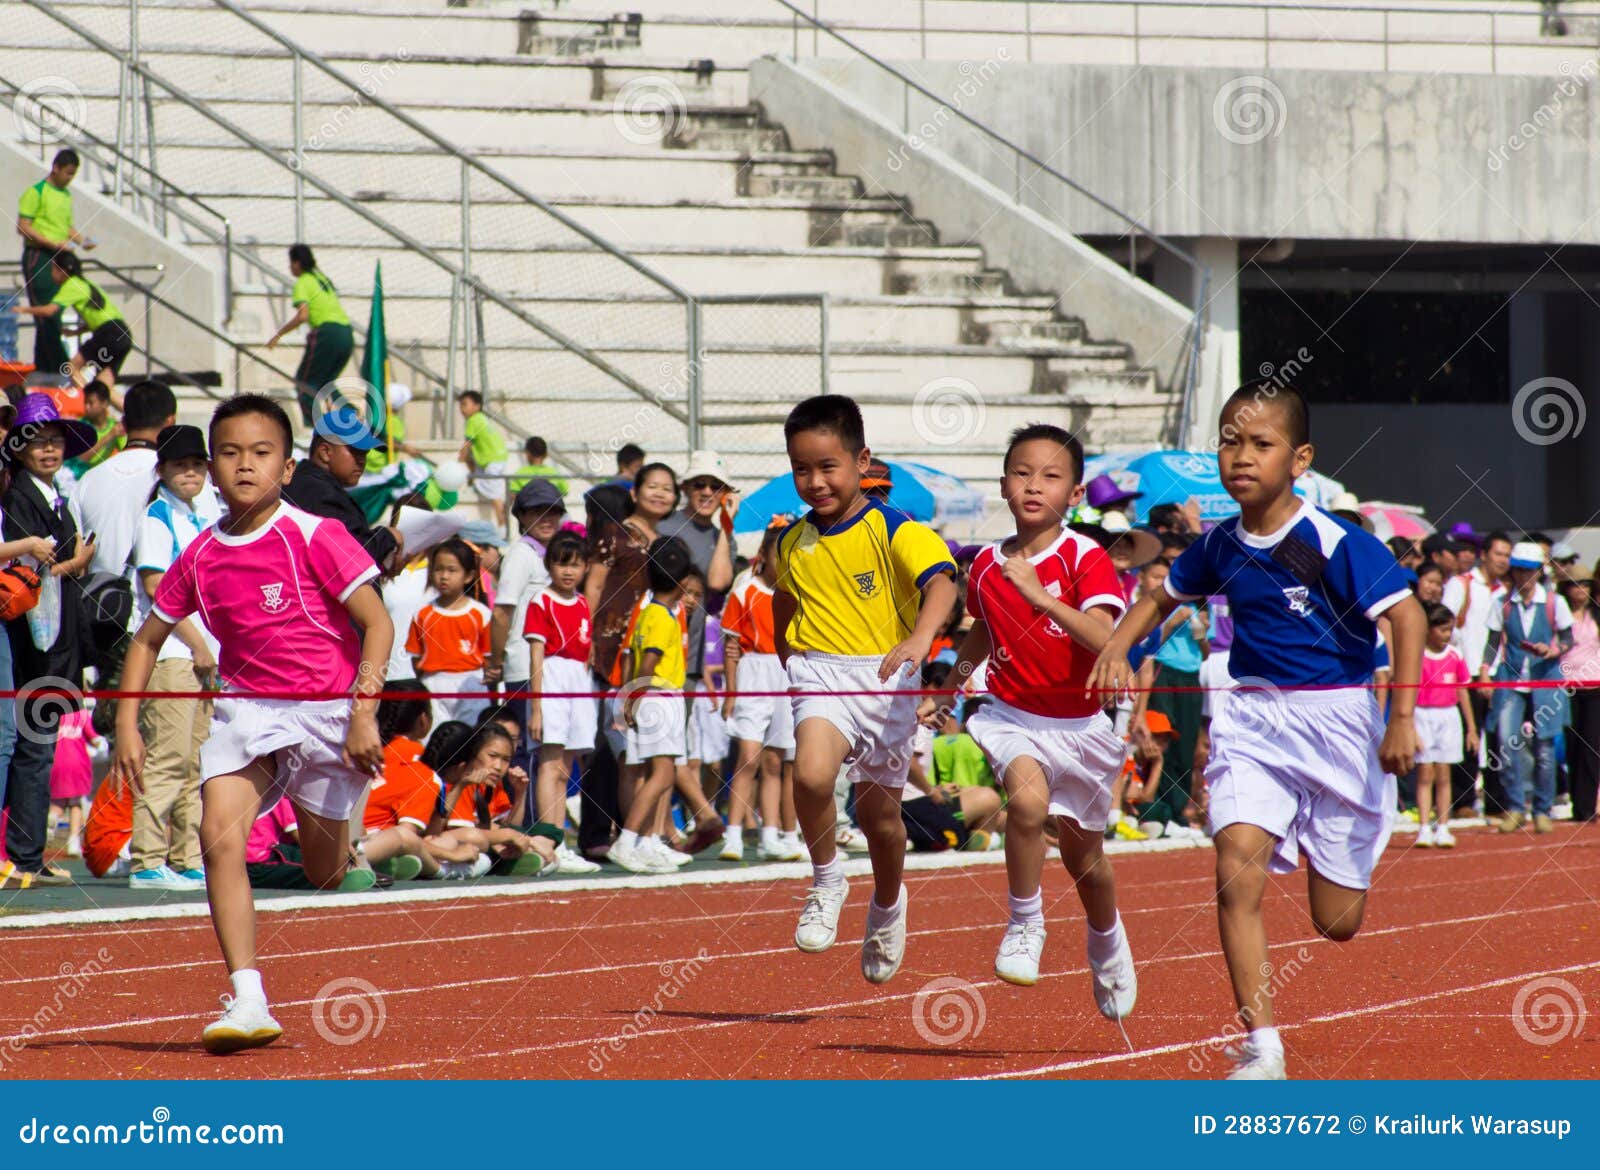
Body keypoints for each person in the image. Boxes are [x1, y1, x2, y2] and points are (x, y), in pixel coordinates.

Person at [1090, 381, 1423, 1080]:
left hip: (1337, 723)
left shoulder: (1330, 541)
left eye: (1261, 443)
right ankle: (1261, 1045)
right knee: (1234, 866)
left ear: (1299, 457)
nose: (1241, 456)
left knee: (1337, 923)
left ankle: (1327, 843)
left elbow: (1408, 616)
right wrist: (1120, 647)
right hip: (1252, 720)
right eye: (1229, 440)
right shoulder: (1219, 545)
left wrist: (1400, 718)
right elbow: (1161, 596)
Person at [112, 394, 394, 1053]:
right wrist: (127, 724)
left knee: (327, 871)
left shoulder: (316, 535)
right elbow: (147, 639)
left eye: (261, 454)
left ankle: (321, 841)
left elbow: (377, 623)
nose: (246, 466)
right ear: (211, 469)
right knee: (217, 833)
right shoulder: (201, 554)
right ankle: (247, 997)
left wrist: (363, 713)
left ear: (288, 468)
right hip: (249, 710)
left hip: (328, 712)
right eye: (231, 454)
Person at [932, 423, 1136, 1012]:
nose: (1033, 486)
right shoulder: (990, 566)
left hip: (1080, 730)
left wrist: (1044, 596)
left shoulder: (1084, 555)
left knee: (1086, 862)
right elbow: (981, 631)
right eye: (1022, 473)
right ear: (1003, 484)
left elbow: (1105, 637)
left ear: (1074, 495)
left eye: (1050, 477)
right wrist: (948, 687)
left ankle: (1106, 938)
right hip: (1011, 714)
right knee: (1024, 804)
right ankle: (1026, 923)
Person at [774, 395, 958, 983]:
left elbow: (943, 585)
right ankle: (827, 878)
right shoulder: (789, 540)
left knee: (881, 819)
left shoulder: (893, 526)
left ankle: (886, 902)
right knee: (809, 775)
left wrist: (920, 640)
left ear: (861, 461)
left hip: (886, 678)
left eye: (828, 466)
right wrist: (788, 651)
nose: (815, 481)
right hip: (819, 670)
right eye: (802, 469)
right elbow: (785, 595)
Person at [0, 394, 98, 890]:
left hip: (58, 640)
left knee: (39, 749)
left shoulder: (55, 491)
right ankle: (23, 853)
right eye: (38, 441)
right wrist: (76, 564)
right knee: (32, 750)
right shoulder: (20, 496)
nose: (49, 449)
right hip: (32, 643)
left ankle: (28, 852)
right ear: (20, 449)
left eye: (56, 440)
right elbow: (24, 574)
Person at [127, 424, 220, 892]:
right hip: (171, 655)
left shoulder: (195, 518)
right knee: (167, 759)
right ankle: (146, 859)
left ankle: (186, 858)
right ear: (161, 470)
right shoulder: (158, 517)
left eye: (197, 464)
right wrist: (199, 644)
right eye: (181, 465)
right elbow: (156, 587)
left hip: (197, 656)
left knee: (194, 763)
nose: (191, 472)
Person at [579, 462, 679, 859]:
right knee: (607, 744)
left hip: (648, 653)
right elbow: (596, 583)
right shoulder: (614, 533)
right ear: (635, 492)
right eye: (652, 486)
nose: (660, 493)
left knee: (638, 751)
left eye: (667, 488)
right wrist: (584, 634)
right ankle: (594, 835)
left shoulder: (668, 539)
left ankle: (638, 835)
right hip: (609, 650)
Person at [720, 524, 802, 862]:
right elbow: (731, 645)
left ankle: (771, 835)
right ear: (764, 556)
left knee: (775, 761)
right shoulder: (745, 591)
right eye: (776, 554)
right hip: (754, 672)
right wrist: (731, 691)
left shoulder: (797, 594)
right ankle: (734, 834)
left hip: (784, 674)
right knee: (748, 758)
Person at [521, 532, 600, 872]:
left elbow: (585, 652)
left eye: (576, 565)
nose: (568, 571)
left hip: (577, 684)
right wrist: (537, 706)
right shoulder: (541, 601)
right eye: (561, 563)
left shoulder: (582, 603)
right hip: (551, 679)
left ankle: (560, 842)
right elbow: (536, 656)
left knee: (566, 767)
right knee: (550, 764)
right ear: (549, 565)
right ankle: (549, 843)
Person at [1483, 541, 1573, 835]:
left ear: (1539, 573)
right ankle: (1516, 807)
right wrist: (1485, 670)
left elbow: (1568, 639)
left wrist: (1552, 649)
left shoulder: (1553, 602)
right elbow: (1492, 642)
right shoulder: (1501, 603)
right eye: (1519, 571)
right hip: (1511, 678)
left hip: (1545, 678)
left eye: (1529, 571)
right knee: (1506, 743)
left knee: (1545, 749)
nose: (1524, 577)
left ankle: (1542, 809)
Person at [485, 477, 566, 765]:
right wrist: (496, 661)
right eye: (537, 511)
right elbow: (501, 612)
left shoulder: (550, 555)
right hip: (523, 667)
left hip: (548, 667)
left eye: (553, 511)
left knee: (547, 753)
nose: (547, 518)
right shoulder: (522, 554)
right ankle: (524, 812)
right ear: (522, 516)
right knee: (529, 755)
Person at [71, 380, 180, 577]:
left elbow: (75, 559)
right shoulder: (187, 479)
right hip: (163, 604)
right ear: (170, 422)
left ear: (124, 423)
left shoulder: (86, 482)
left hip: (100, 602)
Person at [281, 406, 401, 575]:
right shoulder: (321, 494)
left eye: (365, 453)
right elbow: (353, 557)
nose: (362, 461)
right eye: (356, 452)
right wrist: (389, 537)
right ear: (325, 452)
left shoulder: (303, 482)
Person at [1444, 529, 1511, 816]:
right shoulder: (1461, 584)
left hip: (1497, 674)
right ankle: (1463, 801)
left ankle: (1497, 799)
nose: (1503, 560)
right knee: (1468, 736)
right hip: (1467, 673)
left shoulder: (1506, 592)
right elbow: (1445, 626)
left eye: (1507, 555)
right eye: (1498, 554)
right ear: (1484, 554)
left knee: (1497, 736)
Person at [12, 251, 132, 398]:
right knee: (104, 386)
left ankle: (89, 401)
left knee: (71, 367)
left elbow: (50, 310)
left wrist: (22, 309)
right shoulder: (86, 284)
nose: (51, 274)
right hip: (123, 333)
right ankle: (122, 415)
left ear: (62, 271)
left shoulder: (72, 284)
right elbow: (99, 317)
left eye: (53, 269)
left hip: (108, 333)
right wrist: (75, 332)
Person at [15, 148, 91, 376]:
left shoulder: (65, 195)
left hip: (59, 256)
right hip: (40, 255)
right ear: (56, 168)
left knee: (55, 310)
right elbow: (23, 226)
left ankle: (45, 366)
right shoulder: (37, 192)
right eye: (67, 173)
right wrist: (51, 243)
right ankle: (58, 365)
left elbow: (65, 226)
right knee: (45, 309)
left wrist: (82, 240)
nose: (69, 179)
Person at [408, 538, 493, 728]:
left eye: (452, 570)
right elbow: (415, 657)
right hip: (433, 684)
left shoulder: (481, 614)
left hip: (472, 684)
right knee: (434, 740)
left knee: (471, 738)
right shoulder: (422, 614)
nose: (444, 576)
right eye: (438, 569)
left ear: (469, 576)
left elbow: (489, 657)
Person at [267, 244, 353, 427]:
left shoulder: (303, 282)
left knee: (304, 382)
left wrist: (279, 334)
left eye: (291, 263)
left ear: (297, 263)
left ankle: (313, 425)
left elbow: (303, 316)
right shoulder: (323, 279)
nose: (290, 268)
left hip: (327, 332)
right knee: (326, 383)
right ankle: (350, 414)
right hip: (346, 332)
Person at [1414, 602, 1476, 848]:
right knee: (1425, 774)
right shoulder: (1418, 655)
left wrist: (1471, 728)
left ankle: (1443, 826)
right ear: (1429, 629)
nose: (1446, 635)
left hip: (1449, 716)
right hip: (1422, 715)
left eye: (1449, 630)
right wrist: (1409, 726)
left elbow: (1462, 692)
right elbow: (1407, 693)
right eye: (1442, 630)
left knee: (1443, 774)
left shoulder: (1455, 655)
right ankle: (1422, 828)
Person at [1561, 573, 1600, 824]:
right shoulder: (1560, 613)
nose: (1580, 589)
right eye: (1575, 584)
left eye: (1585, 584)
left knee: (1591, 746)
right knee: (1572, 746)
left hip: (1595, 684)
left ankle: (1587, 806)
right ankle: (1576, 803)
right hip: (1565, 686)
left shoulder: (1597, 614)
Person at [48, 703, 99, 857]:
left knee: (58, 801)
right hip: (77, 763)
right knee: (75, 803)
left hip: (56, 763)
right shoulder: (81, 714)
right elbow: (94, 739)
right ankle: (73, 840)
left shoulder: (53, 713)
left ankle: (52, 818)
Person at [456, 390, 510, 528]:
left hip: (492, 460)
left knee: (494, 494)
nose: (461, 409)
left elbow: (467, 444)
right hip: (497, 457)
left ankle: (502, 524)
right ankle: (475, 483)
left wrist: (458, 462)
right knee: (493, 489)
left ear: (476, 406)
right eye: (460, 405)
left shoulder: (472, 420)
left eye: (464, 405)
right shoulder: (481, 418)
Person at [64, 381, 120, 477]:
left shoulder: (115, 426)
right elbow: (81, 459)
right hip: (75, 477)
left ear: (104, 403)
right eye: (85, 402)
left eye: (91, 403)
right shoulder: (79, 426)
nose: (86, 407)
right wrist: (109, 436)